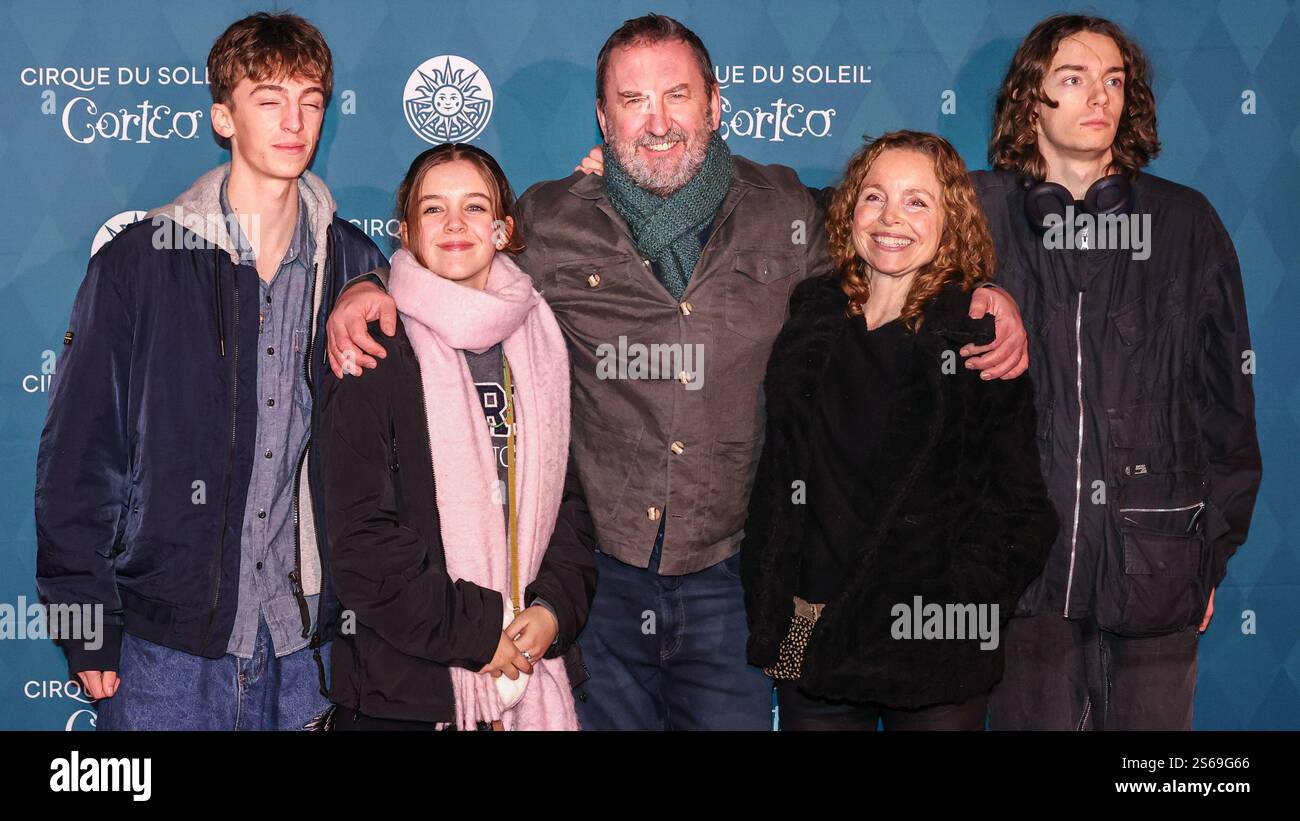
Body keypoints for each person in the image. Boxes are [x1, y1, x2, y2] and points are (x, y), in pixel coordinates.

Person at [325, 14, 1029, 730]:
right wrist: (370, 287)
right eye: (632, 101)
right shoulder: (551, 216)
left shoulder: (787, 209)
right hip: (597, 580)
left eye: (677, 95)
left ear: (716, 104)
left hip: (734, 575)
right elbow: (459, 269)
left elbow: (888, 254)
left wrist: (981, 289)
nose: (656, 121)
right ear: (604, 117)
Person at [34, 12, 387, 730]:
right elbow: (80, 456)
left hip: (307, 651)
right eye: (269, 99)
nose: (294, 121)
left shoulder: (355, 265)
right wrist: (84, 623)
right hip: (164, 649)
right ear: (223, 117)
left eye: (311, 100)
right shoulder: (139, 262)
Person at [972, 14, 1262, 730]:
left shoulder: (1187, 224)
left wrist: (1206, 553)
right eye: (1073, 79)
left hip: (1158, 571)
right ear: (1029, 98)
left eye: (1114, 81)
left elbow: (1228, 410)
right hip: (1021, 573)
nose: (1099, 96)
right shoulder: (973, 214)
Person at [741, 131, 1058, 730]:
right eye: (874, 197)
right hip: (812, 633)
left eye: (918, 201)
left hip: (929, 648)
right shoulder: (812, 311)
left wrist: (962, 611)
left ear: (952, 219)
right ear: (849, 209)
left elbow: (1021, 507)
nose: (891, 219)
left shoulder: (975, 335)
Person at [319, 143, 595, 731]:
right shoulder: (374, 347)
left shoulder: (541, 340)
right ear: (407, 231)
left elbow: (569, 509)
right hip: (408, 693)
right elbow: (362, 543)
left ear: (503, 229)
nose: (453, 225)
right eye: (433, 209)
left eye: (474, 207)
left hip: (531, 663)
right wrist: (478, 633)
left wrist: (550, 611)